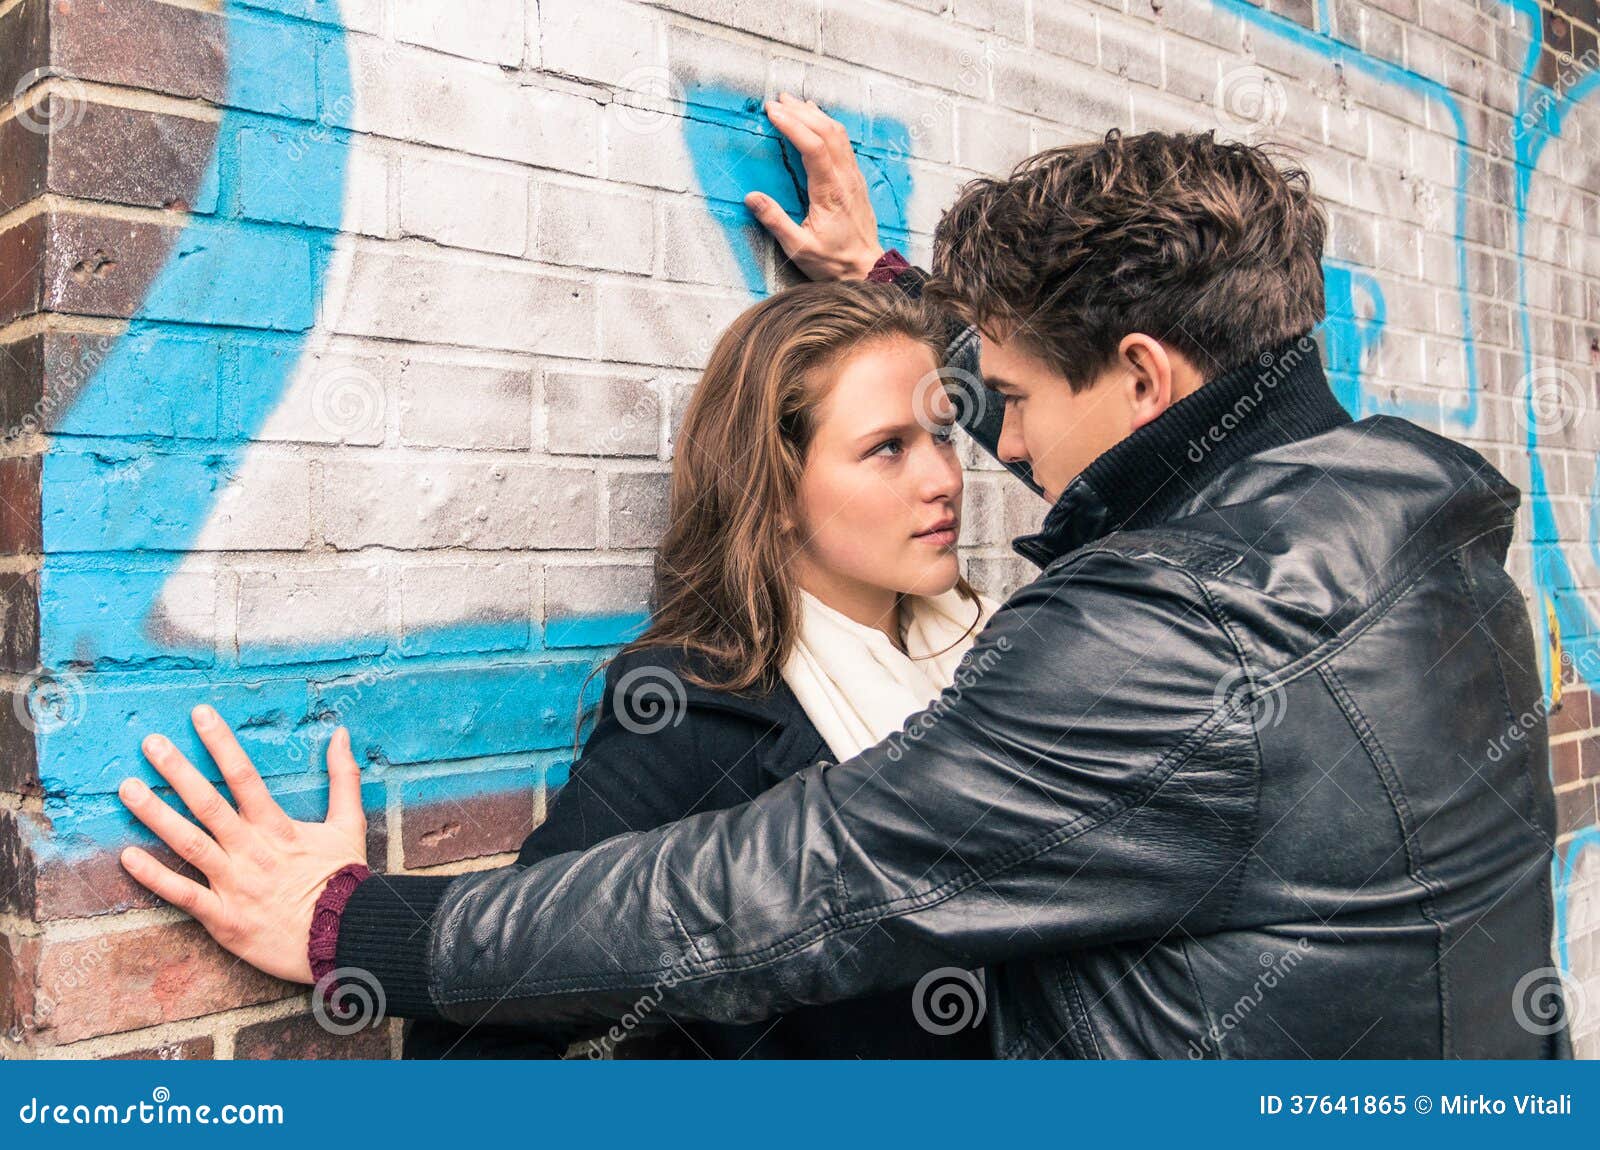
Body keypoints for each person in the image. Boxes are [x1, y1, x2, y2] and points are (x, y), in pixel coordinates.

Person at [115, 96, 1569, 1058]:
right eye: (907, 437)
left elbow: (802, 881)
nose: (978, 462)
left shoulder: (1155, 633)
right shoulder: (1394, 525)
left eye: (983, 405)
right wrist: (891, 295)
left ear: (1142, 371)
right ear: (779, 487)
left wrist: (361, 928)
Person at [405, 280, 996, 1058]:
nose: (943, 478)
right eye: (888, 447)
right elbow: (481, 1018)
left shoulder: (997, 656)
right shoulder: (699, 713)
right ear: (779, 490)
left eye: (943, 435)